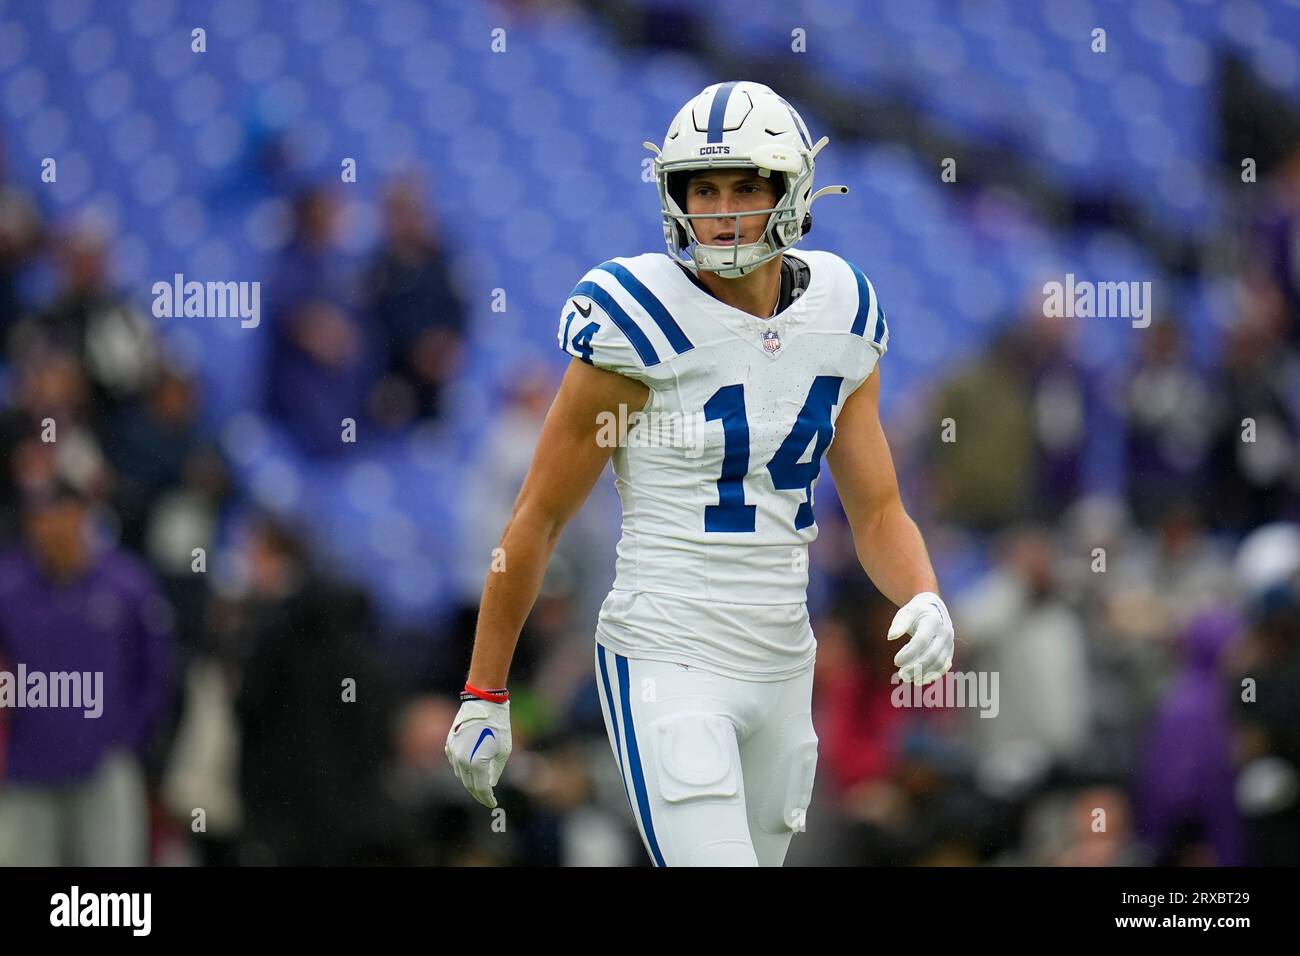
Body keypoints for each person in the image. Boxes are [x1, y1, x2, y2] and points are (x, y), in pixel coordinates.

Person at [445, 81, 956, 866]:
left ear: (790, 189)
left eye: (744, 186)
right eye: (703, 188)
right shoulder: (637, 319)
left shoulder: (843, 312)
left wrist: (923, 593)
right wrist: (485, 689)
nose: (720, 209)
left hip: (787, 659)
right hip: (668, 653)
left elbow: (879, 510)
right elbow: (536, 519)